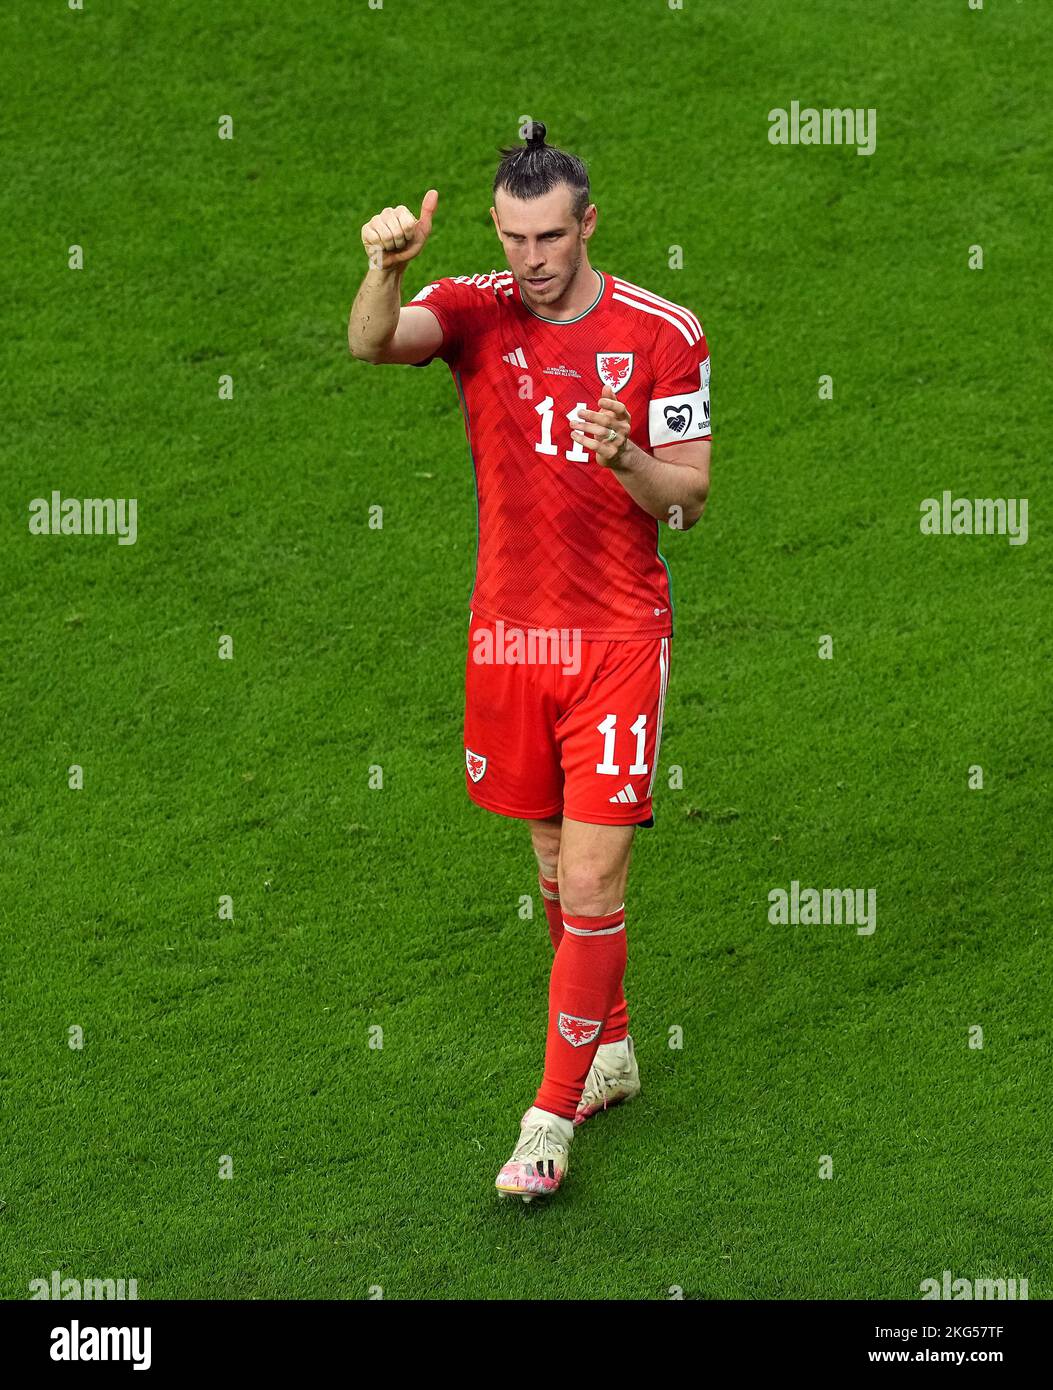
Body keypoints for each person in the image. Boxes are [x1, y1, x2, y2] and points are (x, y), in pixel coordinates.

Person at [348, 122, 712, 1202]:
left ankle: (547, 1120)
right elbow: (373, 343)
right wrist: (383, 269)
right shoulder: (477, 308)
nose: (531, 261)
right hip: (511, 641)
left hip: (614, 643)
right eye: (513, 237)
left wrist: (630, 457)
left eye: (550, 237)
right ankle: (616, 1046)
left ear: (587, 222)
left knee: (596, 876)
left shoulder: (661, 333)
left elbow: (689, 497)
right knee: (557, 872)